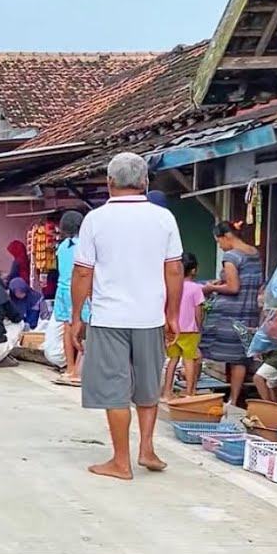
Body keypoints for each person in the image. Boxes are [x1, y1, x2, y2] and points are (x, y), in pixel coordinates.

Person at [70, 152, 184, 481]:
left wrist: (78, 316)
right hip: (150, 317)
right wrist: (173, 314)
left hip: (109, 318)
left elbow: (82, 273)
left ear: (109, 182)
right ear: (145, 182)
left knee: (114, 389)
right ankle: (147, 449)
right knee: (148, 386)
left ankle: (121, 462)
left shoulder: (96, 219)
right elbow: (174, 269)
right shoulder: (164, 219)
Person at [199, 221, 264, 407]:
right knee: (240, 357)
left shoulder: (231, 256)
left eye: (219, 241)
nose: (220, 245)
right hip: (249, 310)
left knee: (200, 348)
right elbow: (246, 281)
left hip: (229, 312)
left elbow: (234, 287)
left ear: (227, 236)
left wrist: (211, 287)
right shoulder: (254, 253)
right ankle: (233, 400)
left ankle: (192, 393)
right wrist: (222, 281)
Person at [162, 252, 205, 401]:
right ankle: (189, 393)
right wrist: (199, 326)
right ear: (193, 270)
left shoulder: (170, 287)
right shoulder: (196, 288)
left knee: (172, 361)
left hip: (172, 330)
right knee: (189, 361)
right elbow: (198, 310)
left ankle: (167, 392)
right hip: (190, 330)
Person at [53, 210, 88, 384]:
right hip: (79, 290)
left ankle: (70, 369)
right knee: (84, 330)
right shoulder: (84, 245)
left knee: (68, 329)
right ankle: (81, 370)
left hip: (62, 291)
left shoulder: (62, 246)